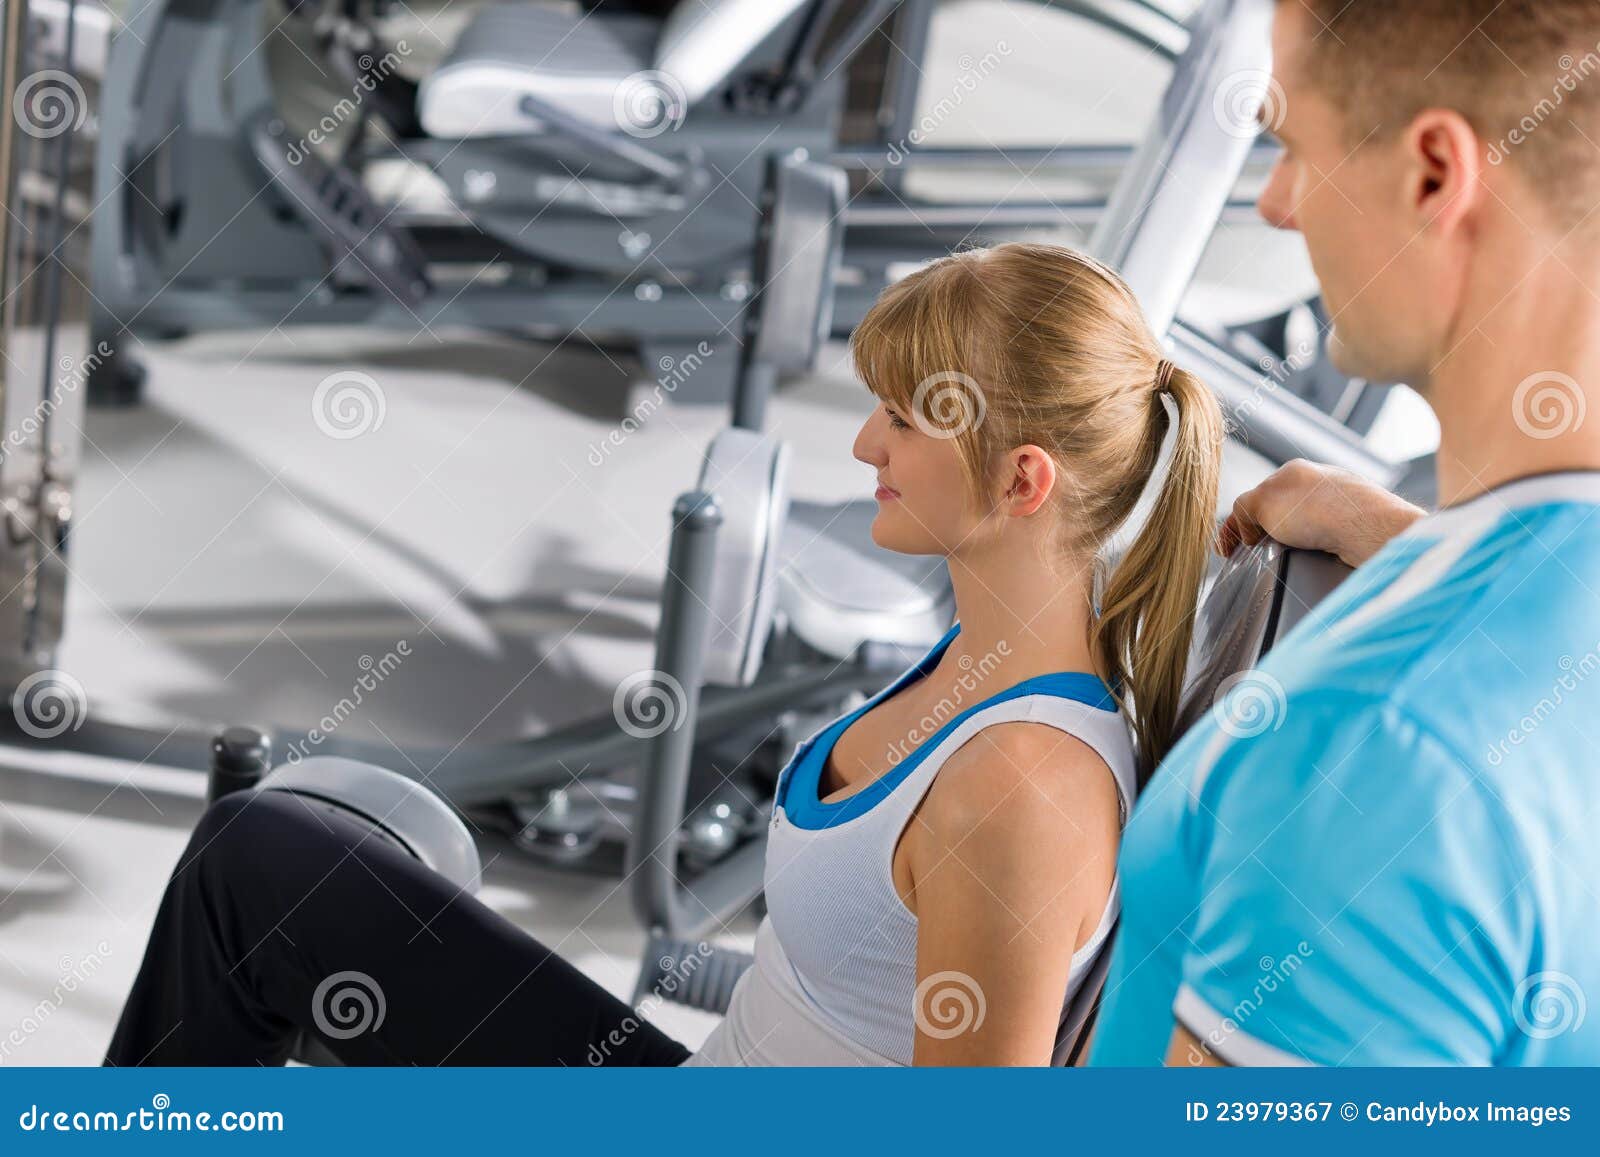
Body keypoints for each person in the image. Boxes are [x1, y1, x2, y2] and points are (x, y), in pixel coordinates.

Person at [105, 242, 1224, 1067]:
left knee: (258, 873)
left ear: (1022, 481)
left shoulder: (1020, 788)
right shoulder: (970, 660)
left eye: (904, 418)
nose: (863, 441)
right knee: (263, 859)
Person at [1091, 0, 1600, 1066]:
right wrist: (1408, 542)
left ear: (1432, 175)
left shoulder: (1371, 763)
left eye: (1289, 145)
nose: (1277, 205)